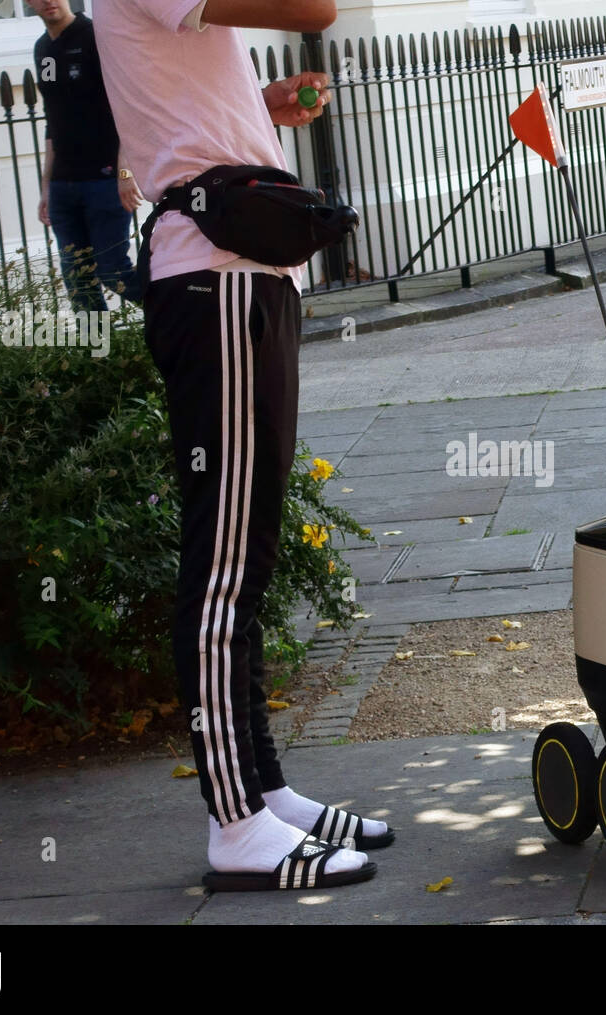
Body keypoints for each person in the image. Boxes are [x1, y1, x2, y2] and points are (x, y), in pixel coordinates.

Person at [93, 0, 391, 890]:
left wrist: (258, 105)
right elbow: (316, 9)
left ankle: (262, 788)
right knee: (225, 563)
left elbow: (171, 115)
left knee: (244, 555)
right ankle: (235, 824)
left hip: (241, 277)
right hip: (215, 283)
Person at [29, 0, 139, 311]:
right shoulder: (42, 49)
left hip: (104, 181)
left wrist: (125, 172)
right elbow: (53, 120)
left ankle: (178, 321)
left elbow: (128, 106)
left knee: (112, 271)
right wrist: (46, 187)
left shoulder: (96, 36)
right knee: (78, 281)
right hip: (63, 185)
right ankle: (98, 344)